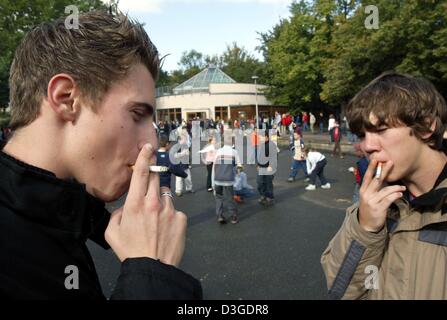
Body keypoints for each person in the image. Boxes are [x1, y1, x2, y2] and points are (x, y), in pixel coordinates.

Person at [0, 10, 202, 299]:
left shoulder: (60, 219)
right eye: (136, 114)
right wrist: (152, 275)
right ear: (66, 98)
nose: (151, 144)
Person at [321, 71, 447, 299]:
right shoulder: (375, 205)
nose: (367, 146)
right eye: (361, 134)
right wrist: (365, 230)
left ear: (427, 127)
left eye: (380, 130)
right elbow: (342, 291)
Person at [212, 133, 241, 224]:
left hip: (218, 179)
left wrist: (213, 182)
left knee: (219, 197)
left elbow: (214, 166)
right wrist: (237, 173)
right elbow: (239, 167)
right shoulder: (234, 152)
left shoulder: (218, 151)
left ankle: (220, 215)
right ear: (232, 142)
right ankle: (233, 216)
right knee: (230, 198)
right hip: (228, 179)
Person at [256, 131, 276, 206]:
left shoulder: (272, 145)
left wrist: (271, 165)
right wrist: (258, 164)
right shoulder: (261, 145)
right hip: (261, 167)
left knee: (268, 183)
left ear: (266, 137)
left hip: (269, 167)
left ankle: (269, 197)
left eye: (261, 137)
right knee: (259, 182)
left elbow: (274, 157)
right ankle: (263, 195)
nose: (260, 138)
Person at [174, 130, 194, 196]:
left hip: (185, 165)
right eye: (184, 139)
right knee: (179, 179)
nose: (185, 140)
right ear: (179, 140)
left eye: (185, 139)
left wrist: (188, 157)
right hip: (178, 166)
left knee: (188, 178)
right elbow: (174, 155)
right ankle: (178, 191)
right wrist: (182, 154)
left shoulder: (186, 146)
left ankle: (189, 188)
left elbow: (188, 154)